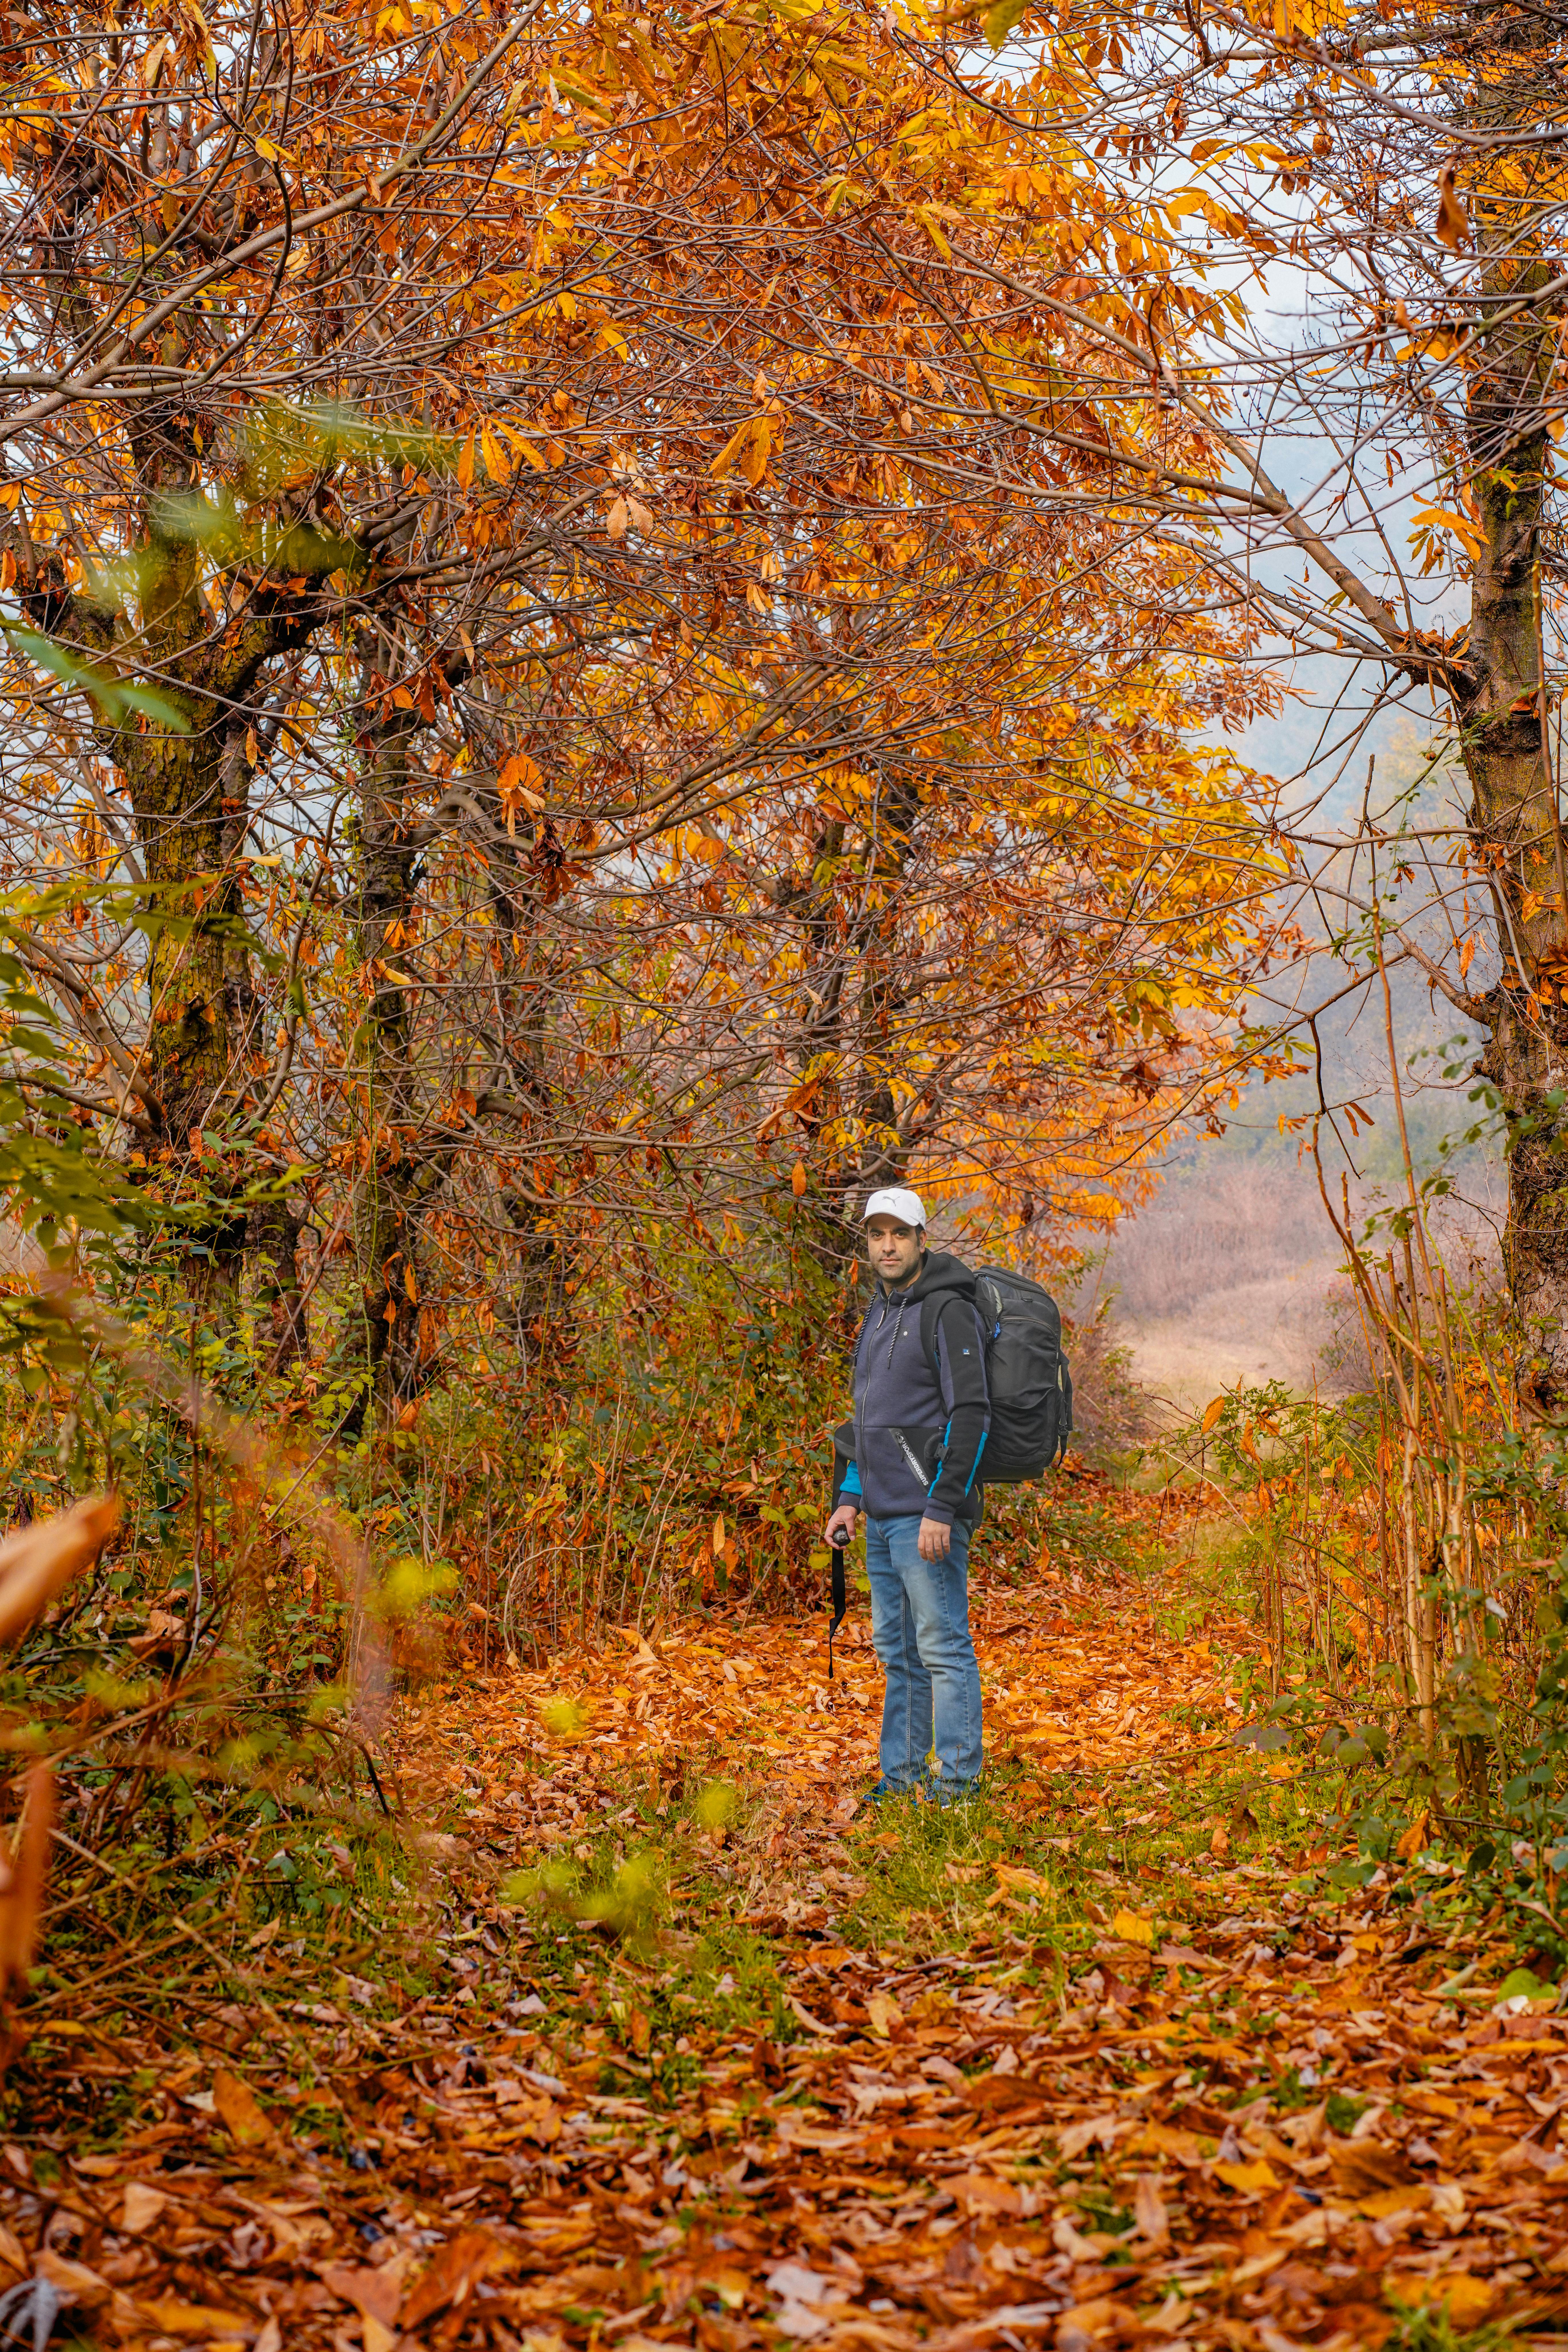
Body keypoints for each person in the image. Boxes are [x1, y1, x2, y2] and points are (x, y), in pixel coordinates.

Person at [824, 1187, 989, 1802]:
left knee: (942, 1649)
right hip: (881, 1516)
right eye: (876, 1234)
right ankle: (901, 1781)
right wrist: (849, 1495)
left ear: (922, 1238)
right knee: (899, 1654)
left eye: (899, 1233)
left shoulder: (947, 1310)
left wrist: (941, 1507)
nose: (887, 1245)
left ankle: (958, 1791)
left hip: (926, 1517)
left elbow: (970, 1413)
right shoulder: (879, 1311)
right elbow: (873, 1419)